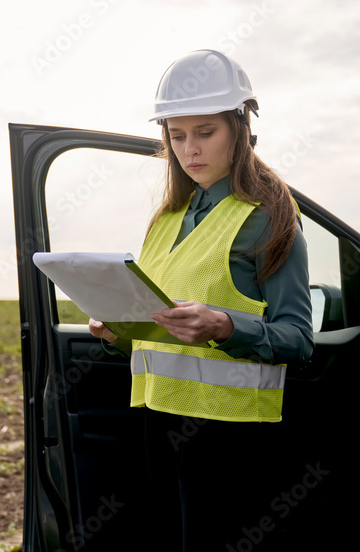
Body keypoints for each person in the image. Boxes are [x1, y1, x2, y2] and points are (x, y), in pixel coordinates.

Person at [89, 49, 313, 551]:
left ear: (240, 126)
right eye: (176, 135)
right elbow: (161, 337)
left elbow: (299, 340)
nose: (189, 149)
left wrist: (226, 327)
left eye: (204, 131)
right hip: (157, 421)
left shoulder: (268, 217)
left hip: (229, 437)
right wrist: (117, 334)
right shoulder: (166, 220)